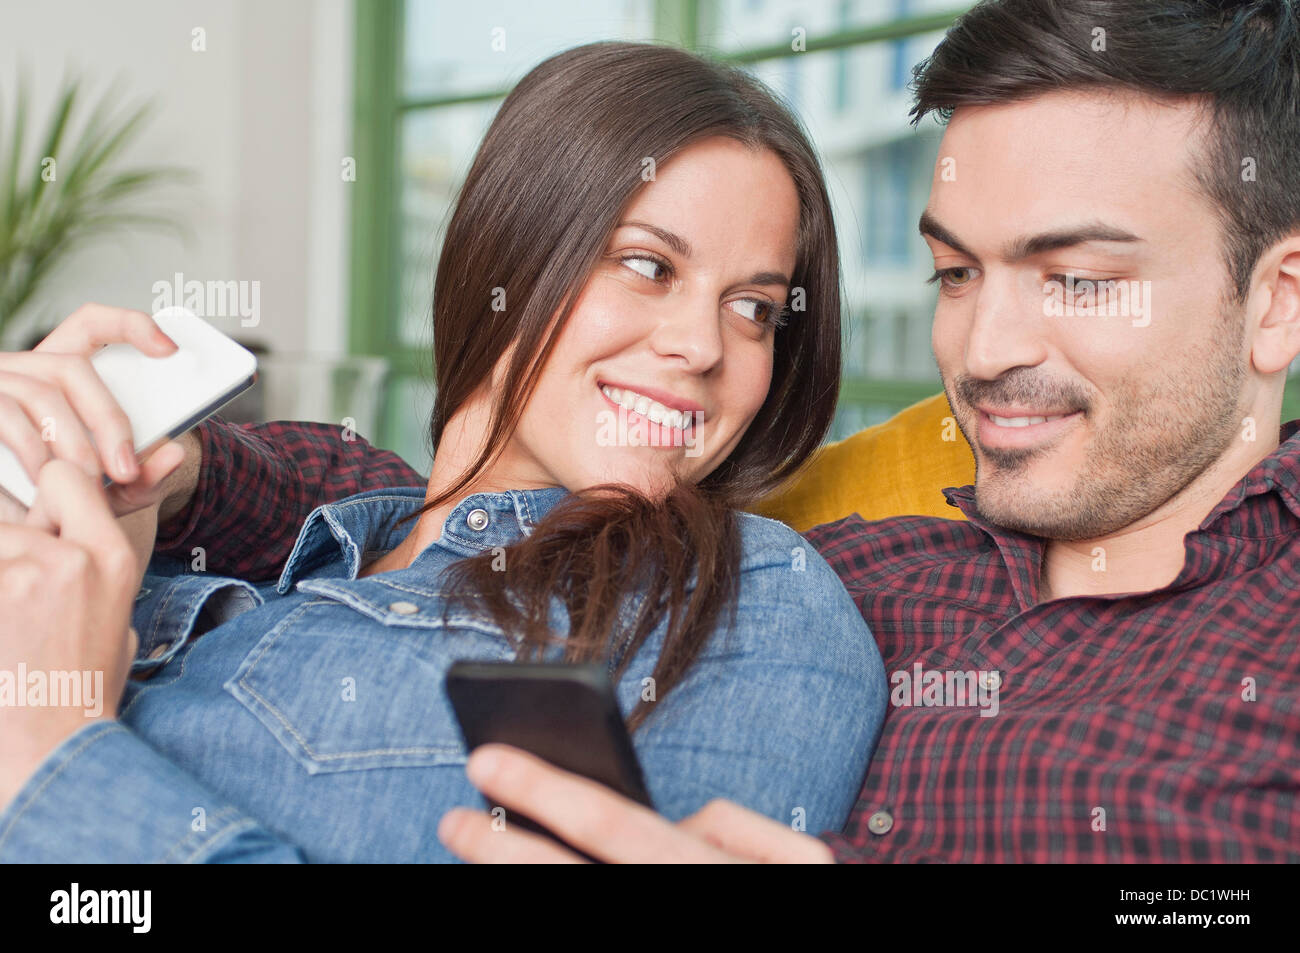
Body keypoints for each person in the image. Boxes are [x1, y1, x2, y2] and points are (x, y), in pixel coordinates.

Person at [142, 0, 1300, 863]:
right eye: (954, 272)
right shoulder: (870, 567)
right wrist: (184, 470)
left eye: (1079, 277)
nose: (985, 347)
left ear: (1276, 300)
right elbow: (442, 522)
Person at [0, 42, 888, 862]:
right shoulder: (274, 534)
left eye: (755, 309)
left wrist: (52, 754)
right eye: (650, 266)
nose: (703, 346)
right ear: (511, 247)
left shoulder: (755, 602)